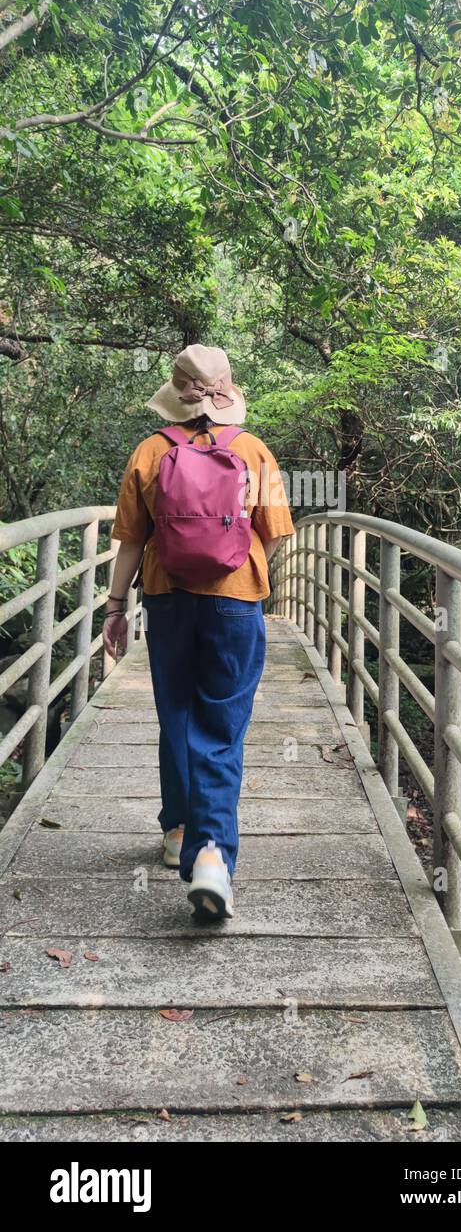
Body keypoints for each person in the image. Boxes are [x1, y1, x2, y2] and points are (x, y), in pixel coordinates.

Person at [102, 344, 294, 921]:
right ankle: (211, 856)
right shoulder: (254, 451)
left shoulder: (150, 451)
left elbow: (131, 542)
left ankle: (177, 832)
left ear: (176, 393)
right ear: (227, 394)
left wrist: (115, 608)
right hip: (236, 602)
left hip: (166, 599)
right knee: (221, 726)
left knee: (178, 714)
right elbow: (278, 534)